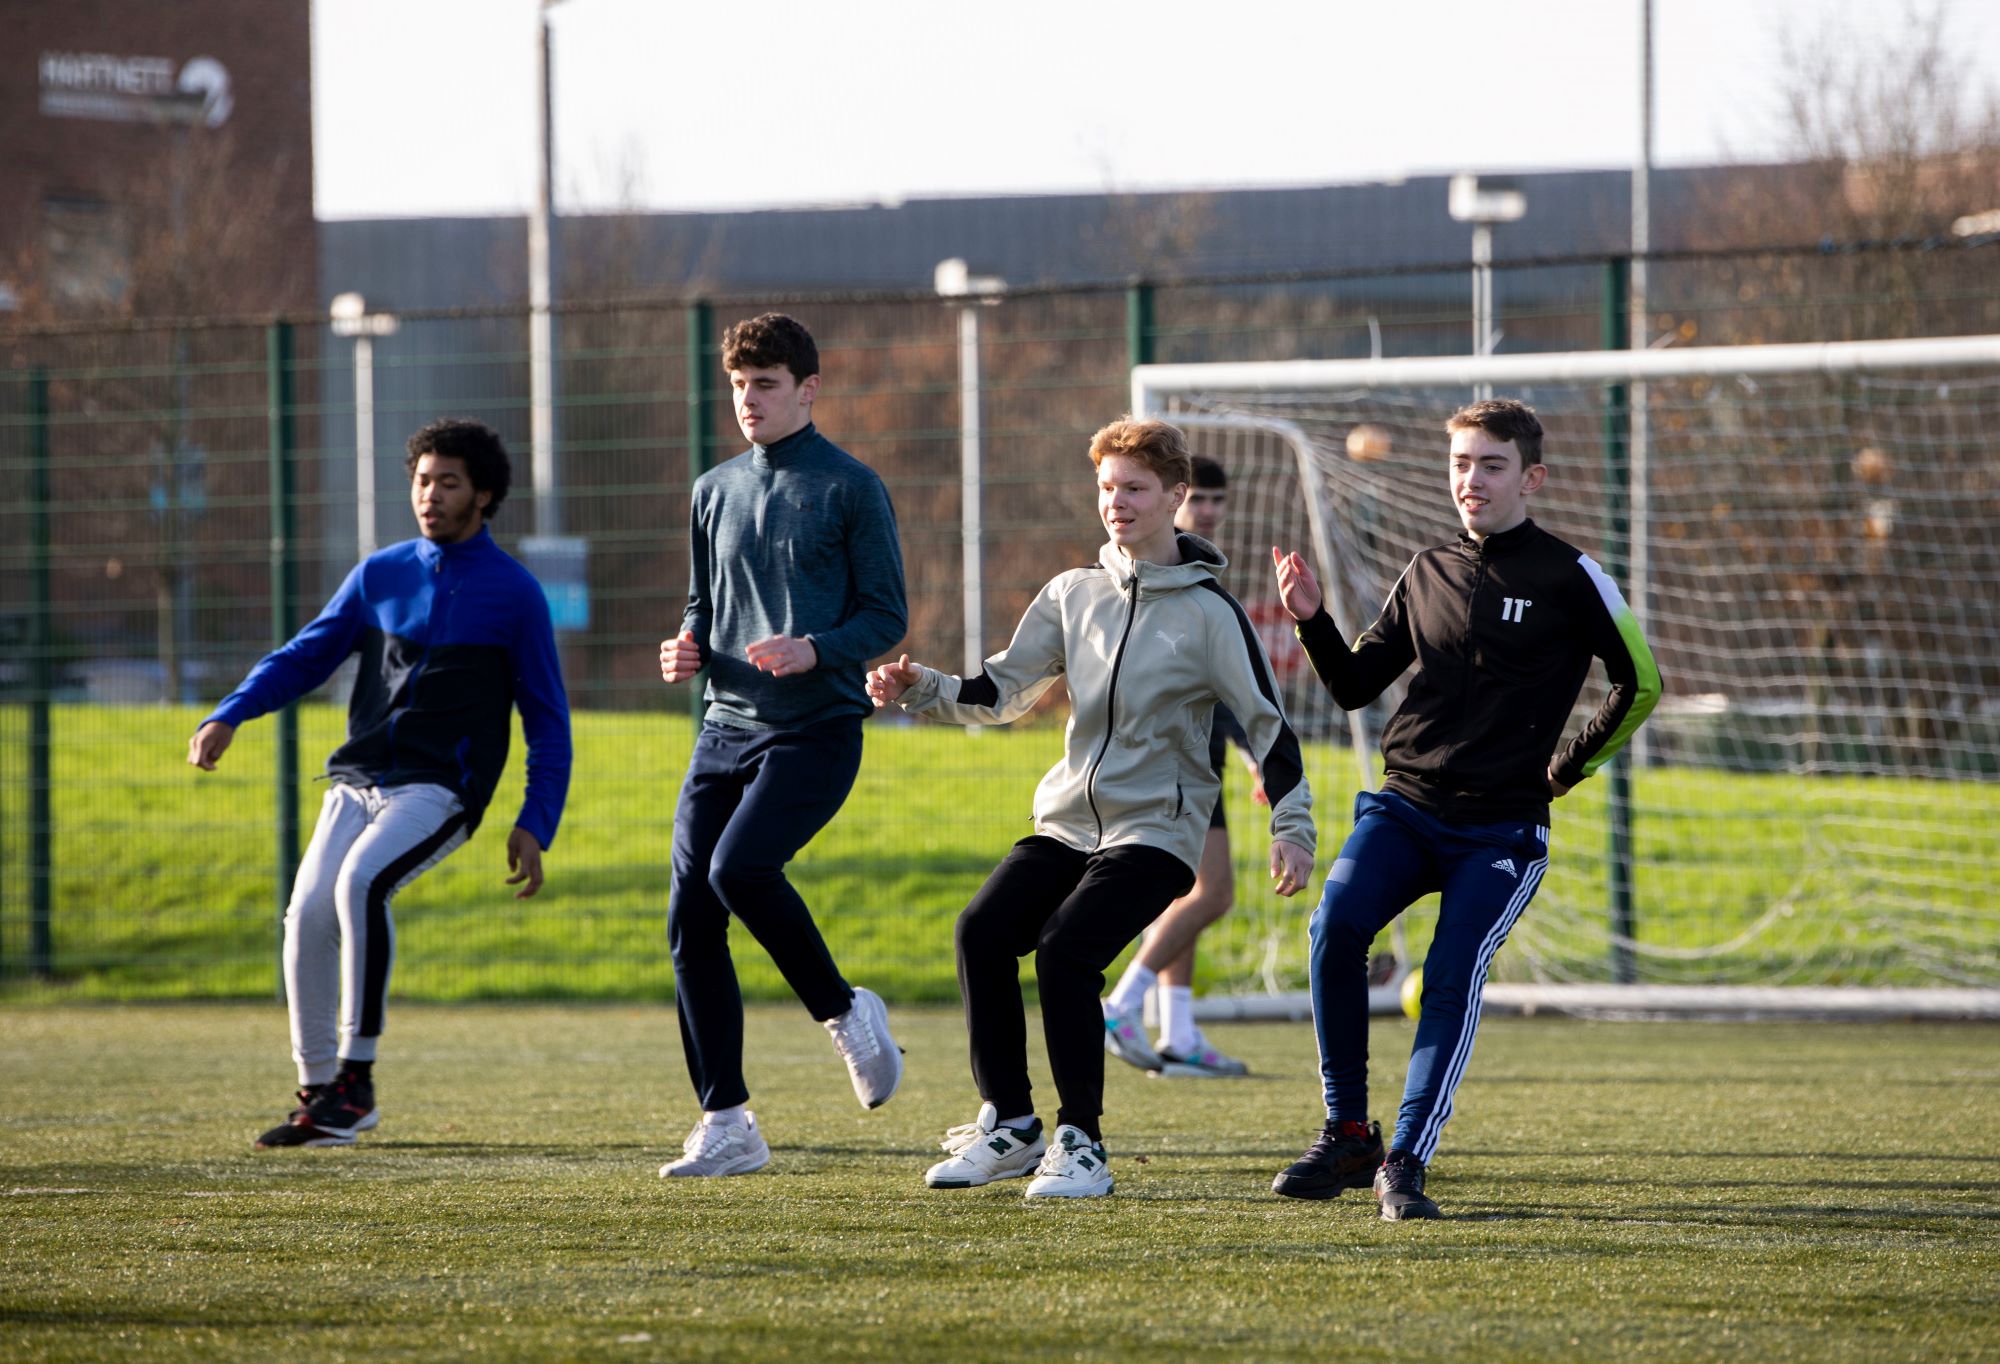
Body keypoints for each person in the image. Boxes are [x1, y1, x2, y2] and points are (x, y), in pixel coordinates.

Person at [867, 416, 1315, 1200]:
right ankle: (1009, 1125)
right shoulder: (1072, 593)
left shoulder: (1213, 614)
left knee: (1066, 951)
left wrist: (1292, 826)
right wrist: (926, 688)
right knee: (981, 930)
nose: (1117, 501)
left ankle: (1083, 1147)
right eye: (1107, 486)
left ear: (1175, 496)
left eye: (1135, 488)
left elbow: (1270, 724)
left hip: (1158, 832)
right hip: (1070, 819)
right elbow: (1002, 691)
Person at [1269, 397, 1662, 1220]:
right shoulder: (1427, 570)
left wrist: (1568, 764)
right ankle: (1348, 1135)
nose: (1471, 480)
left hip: (1503, 829)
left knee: (1449, 976)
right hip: (1406, 806)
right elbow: (1352, 686)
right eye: (1460, 464)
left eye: (1490, 465)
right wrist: (1313, 624)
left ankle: (1404, 1162)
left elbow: (1641, 682)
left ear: (1532, 477)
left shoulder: (1571, 574)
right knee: (1334, 927)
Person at [190, 418, 572, 1150]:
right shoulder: (380, 573)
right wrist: (231, 713)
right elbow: (304, 657)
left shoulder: (515, 594)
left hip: (441, 791)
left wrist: (536, 819)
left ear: (483, 495)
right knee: (306, 913)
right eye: (422, 480)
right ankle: (318, 1089)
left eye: (448, 482)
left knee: (360, 883)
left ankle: (356, 1086)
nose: (429, 495)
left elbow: (548, 720)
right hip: (358, 779)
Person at [656, 312, 908, 1179]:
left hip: (816, 730)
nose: (749, 401)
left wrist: (816, 648)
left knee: (739, 871)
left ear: (809, 388)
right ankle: (727, 1122)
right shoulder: (712, 488)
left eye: (765, 384)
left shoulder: (849, 487)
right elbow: (703, 602)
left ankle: (845, 1012)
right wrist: (685, 644)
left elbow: (886, 615)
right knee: (690, 919)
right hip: (723, 728)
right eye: (738, 385)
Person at [1101, 454, 1264, 1078]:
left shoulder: (1201, 577)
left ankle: (1179, 1033)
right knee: (1213, 892)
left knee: (1190, 891)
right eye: (1201, 500)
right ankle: (1123, 1003)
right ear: (1174, 500)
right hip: (1176, 757)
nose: (1211, 511)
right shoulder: (1167, 578)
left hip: (1197, 755)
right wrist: (1257, 759)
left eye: (1219, 501)